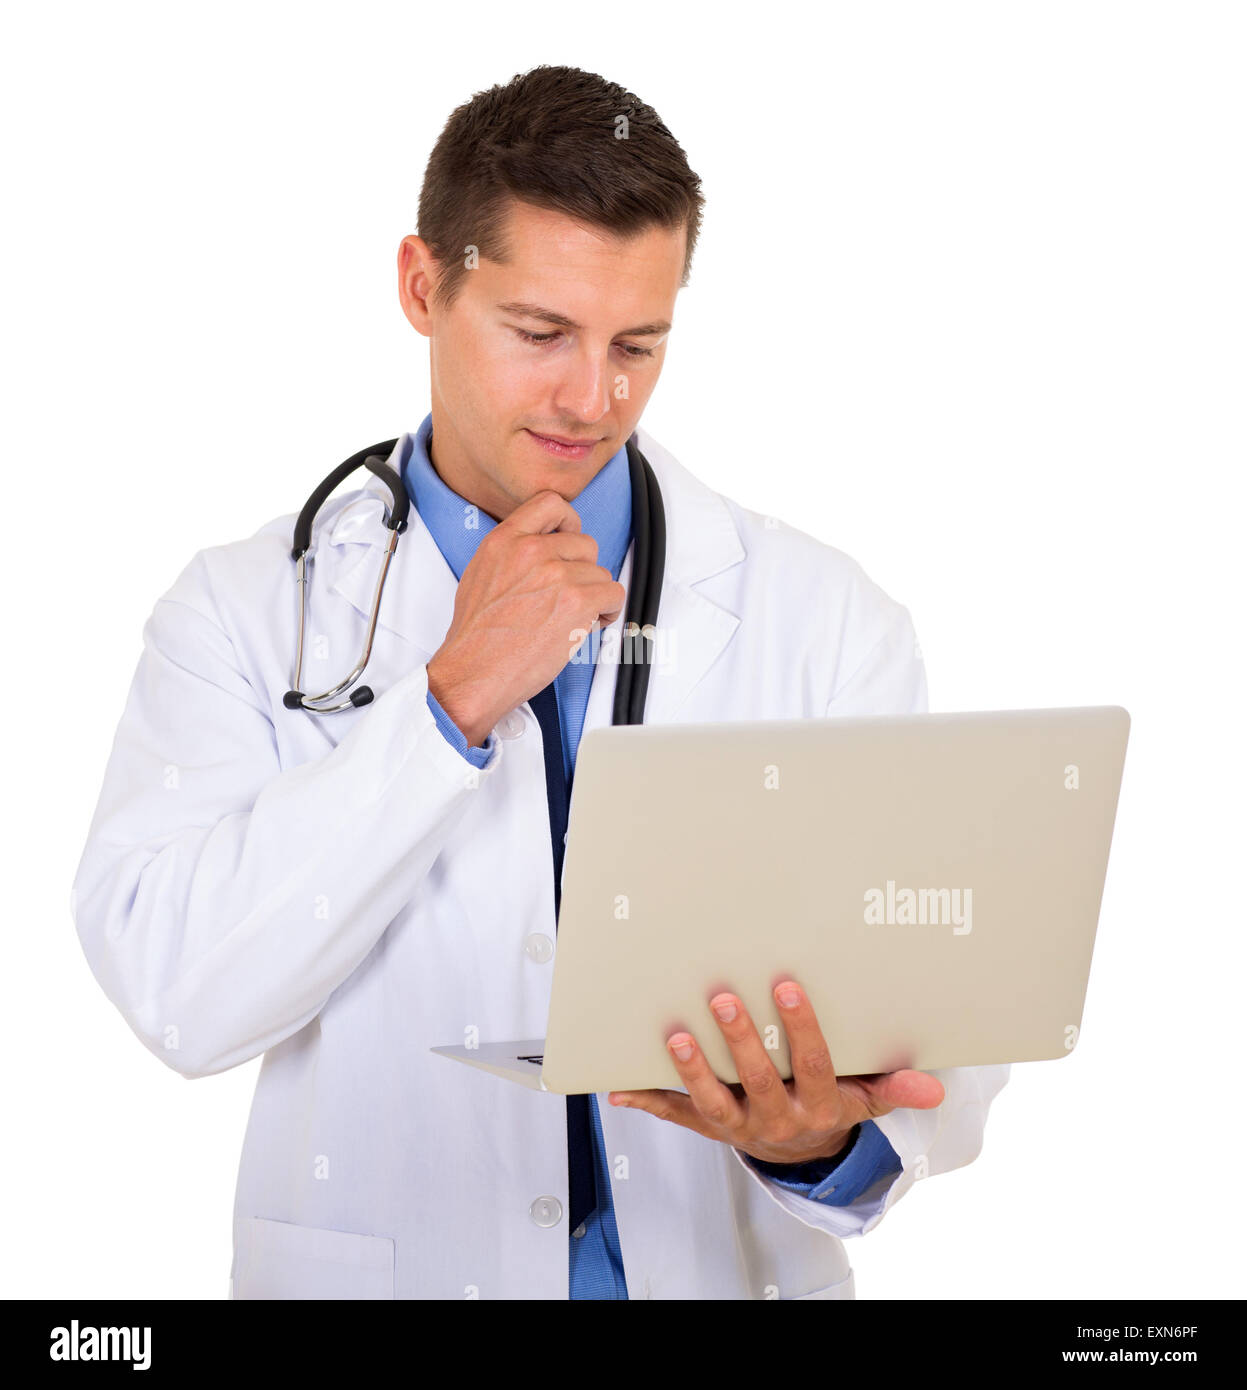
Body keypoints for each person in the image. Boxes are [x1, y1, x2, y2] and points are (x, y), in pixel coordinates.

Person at [71, 63, 1009, 1301]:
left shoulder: (822, 616)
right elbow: (177, 995)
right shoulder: (243, 611)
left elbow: (936, 1016)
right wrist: (447, 702)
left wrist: (824, 1141)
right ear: (422, 285)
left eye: (638, 343)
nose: (591, 397)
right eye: (538, 334)